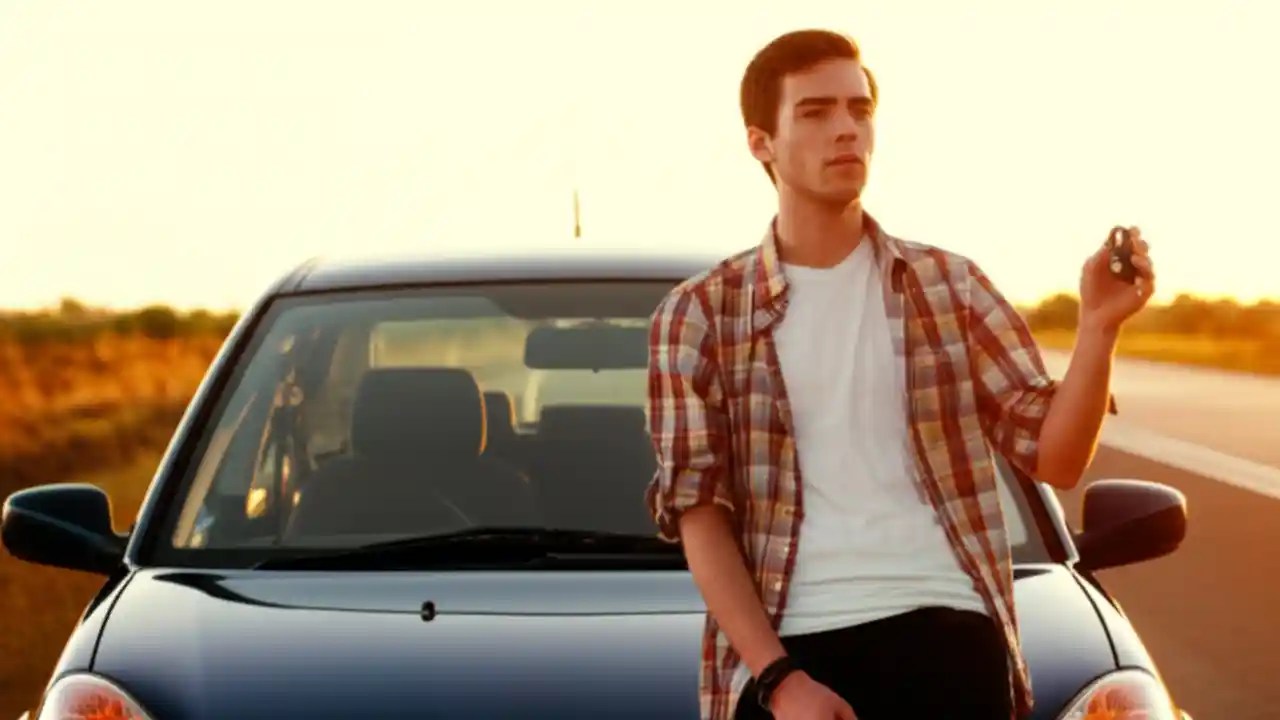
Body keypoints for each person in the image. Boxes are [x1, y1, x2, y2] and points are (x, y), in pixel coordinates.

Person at [644, 28, 1154, 720]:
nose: (846, 129)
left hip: (950, 637)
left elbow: (1057, 458)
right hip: (793, 648)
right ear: (761, 142)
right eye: (816, 112)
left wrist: (1098, 329)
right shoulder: (700, 315)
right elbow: (699, 513)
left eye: (859, 109)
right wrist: (779, 679)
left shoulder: (951, 287)